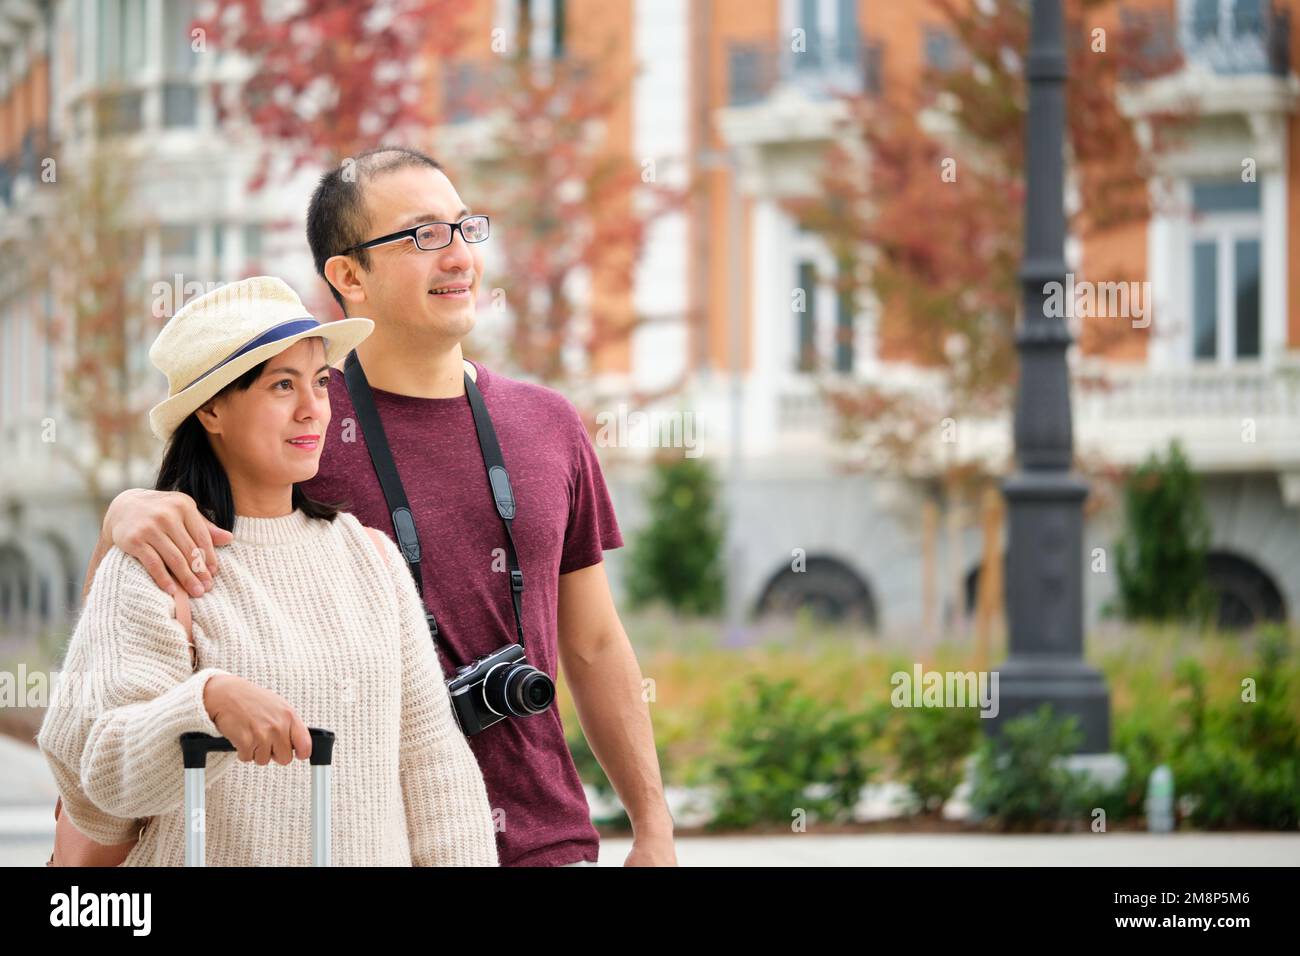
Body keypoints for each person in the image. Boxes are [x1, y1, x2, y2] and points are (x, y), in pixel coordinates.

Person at [74, 146, 677, 867]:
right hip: (364, 836)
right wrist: (121, 520)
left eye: (466, 228)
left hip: (554, 844)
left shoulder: (549, 425)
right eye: (424, 236)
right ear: (347, 275)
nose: (458, 256)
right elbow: (127, 648)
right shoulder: (294, 440)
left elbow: (596, 643)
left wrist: (653, 827)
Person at [38, 276, 499, 866]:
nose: (313, 408)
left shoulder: (374, 559)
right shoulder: (159, 564)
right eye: (283, 384)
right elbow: (104, 783)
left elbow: (433, 766)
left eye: (321, 382)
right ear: (210, 408)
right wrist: (205, 704)